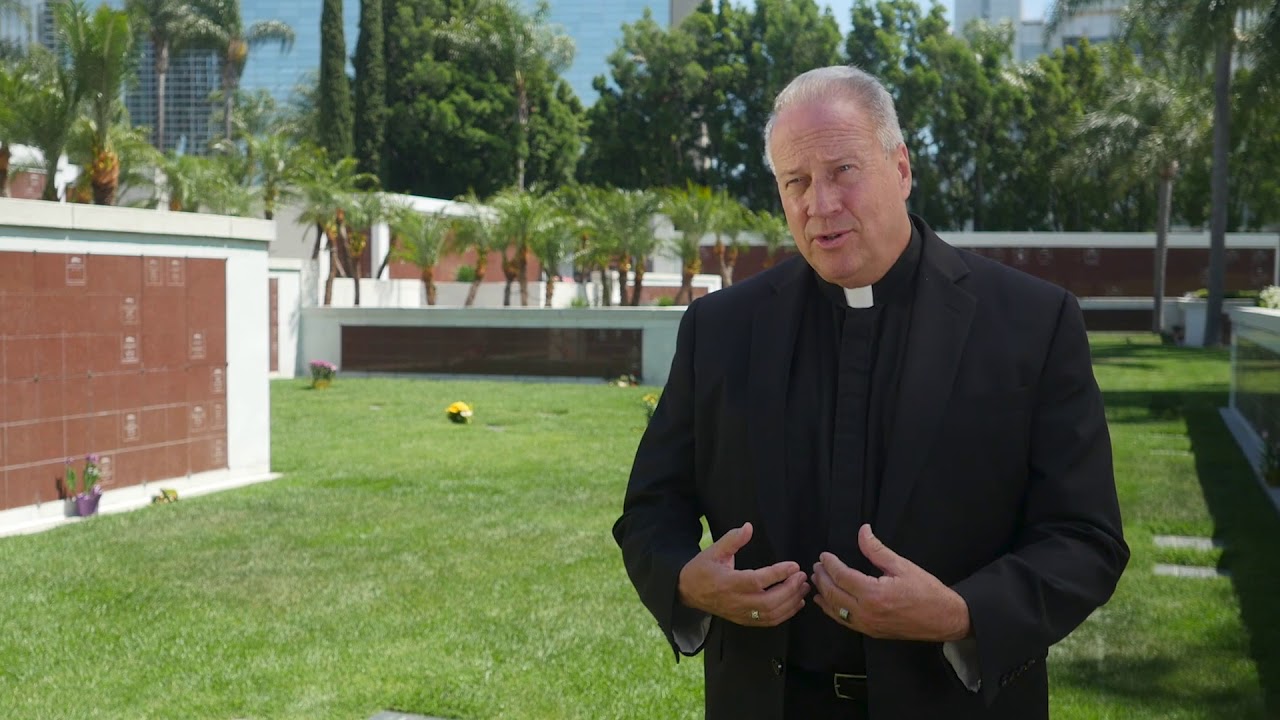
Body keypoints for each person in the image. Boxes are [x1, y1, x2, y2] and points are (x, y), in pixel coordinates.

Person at [612, 65, 1129, 719]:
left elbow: (1085, 538)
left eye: (843, 172)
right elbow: (651, 511)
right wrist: (688, 582)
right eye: (795, 182)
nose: (818, 205)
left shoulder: (1031, 323)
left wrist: (963, 613)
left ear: (902, 168)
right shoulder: (719, 329)